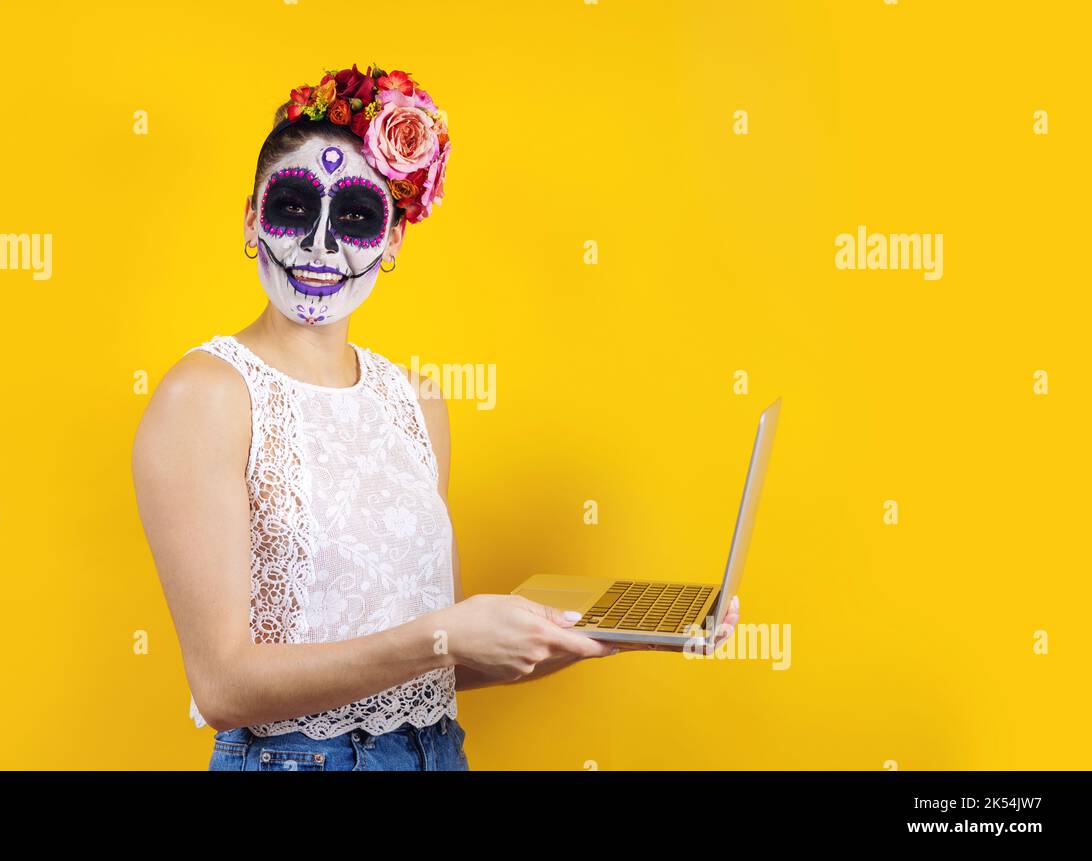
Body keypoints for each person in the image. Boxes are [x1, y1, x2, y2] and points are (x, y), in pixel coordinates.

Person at [131, 64, 739, 771]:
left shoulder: (417, 403)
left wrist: (610, 634)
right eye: (294, 206)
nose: (321, 246)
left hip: (437, 755)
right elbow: (223, 683)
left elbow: (434, 667)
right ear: (250, 217)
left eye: (356, 216)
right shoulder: (205, 395)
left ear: (392, 240)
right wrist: (441, 634)